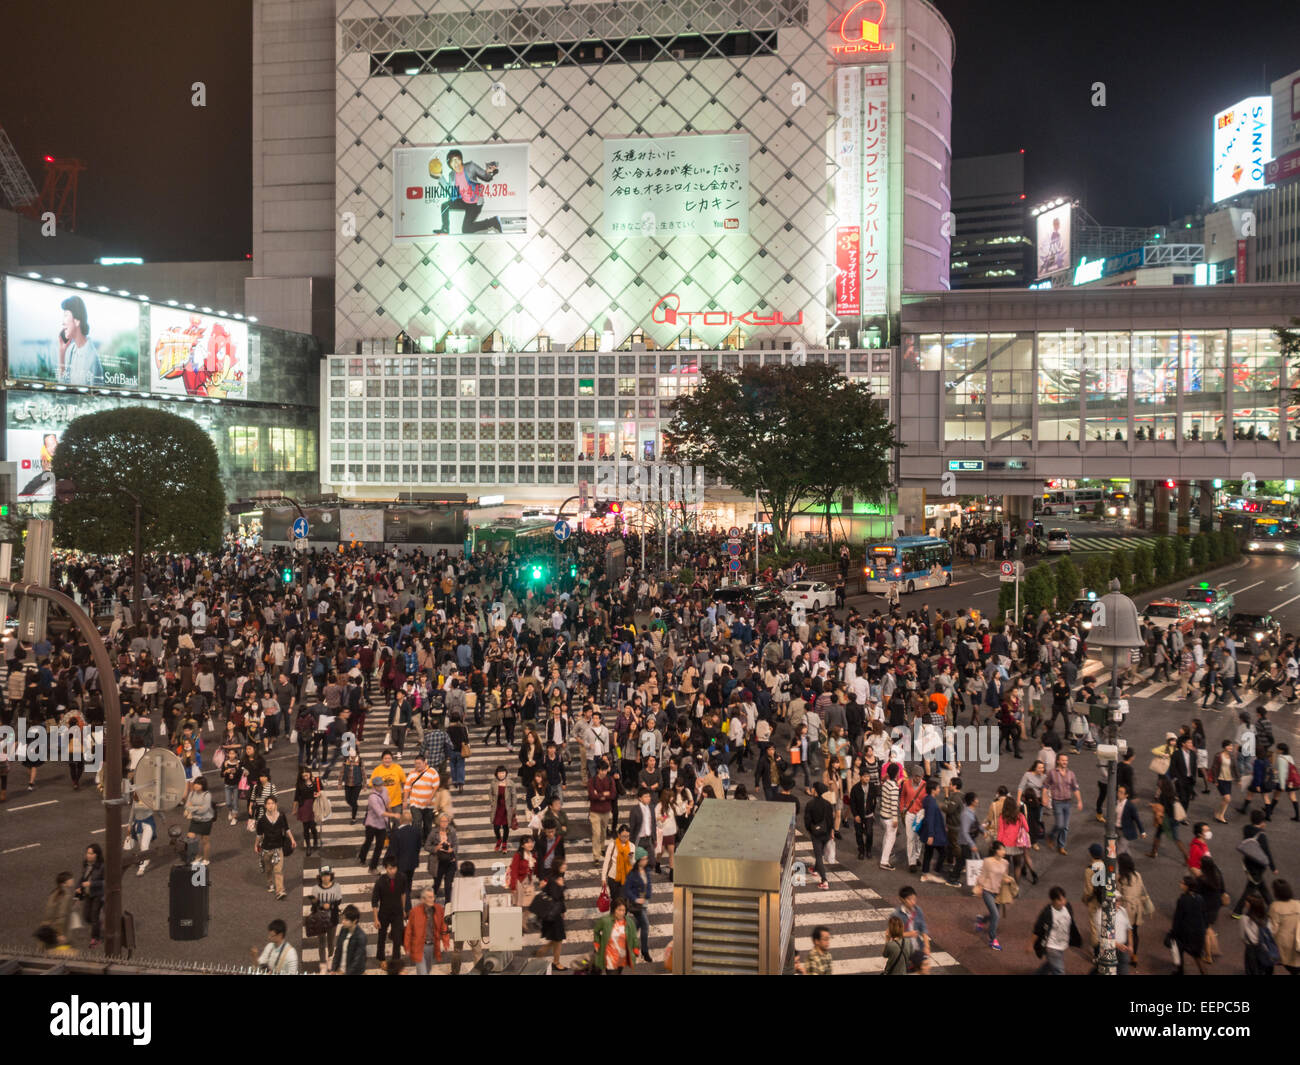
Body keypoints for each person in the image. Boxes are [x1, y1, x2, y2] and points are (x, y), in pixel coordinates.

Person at [1032, 886, 1082, 975]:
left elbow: (1071, 924)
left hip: (1062, 943)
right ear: (1053, 901)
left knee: (1051, 964)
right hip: (1051, 946)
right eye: (1059, 900)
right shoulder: (1047, 912)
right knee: (1059, 971)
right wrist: (1030, 944)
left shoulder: (1068, 907)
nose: (1063, 902)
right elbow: (1038, 929)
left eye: (1063, 899)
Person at [254, 794, 295, 900]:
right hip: (266, 848)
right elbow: (259, 834)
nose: (271, 805)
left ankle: (280, 891)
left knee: (278, 870)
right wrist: (256, 845)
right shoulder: (262, 820)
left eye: (272, 803)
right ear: (265, 806)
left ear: (276, 805)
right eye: (268, 803)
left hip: (278, 848)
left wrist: (292, 839)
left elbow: (286, 828)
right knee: (268, 869)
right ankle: (270, 882)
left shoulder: (281, 816)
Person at [371, 855, 407, 971]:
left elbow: (403, 894)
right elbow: (374, 901)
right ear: (385, 868)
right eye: (389, 868)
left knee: (397, 938)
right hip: (384, 913)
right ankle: (382, 959)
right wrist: (376, 919)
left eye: (394, 868)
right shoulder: (380, 882)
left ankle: (396, 960)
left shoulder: (402, 878)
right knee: (381, 937)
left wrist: (403, 909)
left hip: (397, 913)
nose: (392, 871)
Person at [404, 887, 451, 975]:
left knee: (428, 969)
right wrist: (407, 946)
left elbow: (443, 927)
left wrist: (446, 941)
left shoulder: (439, 910)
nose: (431, 899)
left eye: (432, 897)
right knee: (423, 972)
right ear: (423, 899)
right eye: (429, 897)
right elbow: (409, 930)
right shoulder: (415, 911)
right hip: (418, 946)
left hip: (432, 946)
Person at [1044, 753, 1082, 855]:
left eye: (1066, 760)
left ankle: (1061, 846)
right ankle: (1050, 835)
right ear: (1058, 761)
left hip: (1067, 802)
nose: (1065, 762)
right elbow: (1045, 786)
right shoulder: (1052, 773)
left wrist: (1079, 801)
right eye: (1063, 760)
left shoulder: (1071, 774)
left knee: (1065, 827)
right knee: (1060, 825)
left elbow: (1075, 788)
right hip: (1057, 802)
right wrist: (1045, 797)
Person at [534, 858, 568, 970]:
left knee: (557, 937)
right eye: (563, 864)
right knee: (558, 938)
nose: (565, 865)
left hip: (554, 913)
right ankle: (555, 961)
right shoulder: (556, 880)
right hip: (553, 914)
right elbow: (556, 897)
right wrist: (561, 886)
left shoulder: (556, 877)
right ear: (558, 867)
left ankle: (545, 952)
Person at [1169, 875, 1207, 975]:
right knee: (1197, 956)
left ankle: (1180, 971)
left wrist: (1173, 932)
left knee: (1179, 949)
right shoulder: (1200, 898)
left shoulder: (1183, 900)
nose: (1180, 884)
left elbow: (1178, 918)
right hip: (1199, 931)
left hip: (1186, 932)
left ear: (1187, 886)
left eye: (1182, 883)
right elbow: (1204, 914)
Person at [307, 866, 342, 969]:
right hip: (320, 920)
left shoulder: (337, 887)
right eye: (323, 875)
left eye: (327, 875)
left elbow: (339, 901)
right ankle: (322, 963)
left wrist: (330, 906)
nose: (326, 878)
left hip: (333, 919)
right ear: (320, 877)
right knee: (321, 942)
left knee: (331, 941)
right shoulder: (315, 889)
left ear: (331, 875)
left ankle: (330, 958)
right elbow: (314, 906)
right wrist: (317, 904)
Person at [623, 846, 654, 963]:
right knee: (645, 925)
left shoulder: (646, 870)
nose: (647, 861)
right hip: (637, 906)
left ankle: (625, 943)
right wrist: (636, 899)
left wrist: (648, 894)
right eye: (644, 859)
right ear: (639, 860)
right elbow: (627, 890)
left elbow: (649, 883)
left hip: (644, 903)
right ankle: (645, 951)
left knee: (636, 926)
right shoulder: (632, 874)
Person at [591, 897, 639, 973]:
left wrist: (636, 948)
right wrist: (597, 943)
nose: (622, 913)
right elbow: (596, 931)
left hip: (622, 956)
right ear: (613, 910)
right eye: (619, 910)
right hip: (610, 957)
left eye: (623, 910)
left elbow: (634, 937)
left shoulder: (629, 922)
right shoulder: (605, 921)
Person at [803, 781, 835, 890]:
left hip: (815, 833)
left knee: (818, 855)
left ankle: (824, 880)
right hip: (826, 833)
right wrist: (831, 831)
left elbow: (807, 821)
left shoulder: (810, 804)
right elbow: (831, 820)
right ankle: (815, 869)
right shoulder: (828, 804)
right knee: (820, 852)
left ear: (815, 791)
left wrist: (810, 830)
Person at [893, 886, 930, 970]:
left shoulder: (918, 910)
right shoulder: (896, 915)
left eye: (914, 899)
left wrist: (926, 946)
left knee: (922, 970)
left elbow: (923, 928)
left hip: (917, 949)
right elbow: (893, 934)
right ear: (902, 899)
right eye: (910, 899)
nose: (913, 902)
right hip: (903, 951)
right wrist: (907, 934)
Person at [1268, 879, 1300, 975]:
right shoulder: (1298, 904)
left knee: (1281, 962)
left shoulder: (1275, 907)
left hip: (1284, 943)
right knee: (1295, 965)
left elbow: (1273, 929)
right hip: (1297, 941)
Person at [77, 844, 105, 948]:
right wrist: (78, 886)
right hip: (88, 894)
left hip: (98, 894)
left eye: (91, 853)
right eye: (87, 853)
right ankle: (97, 924)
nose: (88, 855)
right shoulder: (86, 864)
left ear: (97, 855)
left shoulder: (102, 866)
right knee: (86, 916)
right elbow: (83, 877)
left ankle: (95, 938)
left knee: (94, 916)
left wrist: (91, 883)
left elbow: (105, 882)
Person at [1241, 896, 1277, 975]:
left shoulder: (1245, 918)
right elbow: (1271, 932)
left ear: (1250, 906)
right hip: (1266, 949)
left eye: (1247, 903)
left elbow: (1243, 936)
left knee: (1253, 970)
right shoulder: (1267, 919)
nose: (1245, 903)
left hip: (1251, 948)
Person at [183, 776, 215, 864]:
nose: (196, 786)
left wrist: (192, 808)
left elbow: (204, 809)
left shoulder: (207, 795)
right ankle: (196, 856)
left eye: (199, 784)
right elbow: (186, 806)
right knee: (190, 838)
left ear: (203, 785)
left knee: (205, 840)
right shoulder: (192, 793)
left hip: (206, 820)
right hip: (195, 820)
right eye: (195, 784)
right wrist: (197, 808)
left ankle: (206, 858)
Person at [427, 813, 458, 903]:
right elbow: (426, 846)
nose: (444, 823)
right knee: (436, 884)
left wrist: (452, 849)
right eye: (442, 821)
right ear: (439, 822)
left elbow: (456, 845)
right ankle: (430, 901)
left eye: (446, 821)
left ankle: (448, 905)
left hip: (450, 861)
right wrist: (436, 848)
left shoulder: (452, 831)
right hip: (438, 862)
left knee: (448, 885)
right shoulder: (433, 832)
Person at [329, 905, 368, 975]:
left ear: (354, 921)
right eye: (343, 919)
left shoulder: (361, 937)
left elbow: (357, 960)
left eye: (346, 920)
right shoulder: (343, 930)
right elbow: (338, 950)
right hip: (342, 970)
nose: (343, 922)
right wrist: (333, 969)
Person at [41, 872, 76, 947]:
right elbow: (61, 915)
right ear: (64, 883)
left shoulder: (55, 892)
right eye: (70, 879)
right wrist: (59, 934)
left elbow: (49, 912)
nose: (73, 880)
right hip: (59, 931)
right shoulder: (66, 895)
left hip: (49, 927)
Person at [489, 764, 519, 853]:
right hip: (497, 809)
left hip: (507, 809)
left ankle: (504, 843)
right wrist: (492, 801)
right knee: (496, 827)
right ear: (496, 774)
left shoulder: (510, 783)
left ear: (506, 773)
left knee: (506, 828)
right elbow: (490, 793)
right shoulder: (493, 782)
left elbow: (514, 796)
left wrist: (514, 807)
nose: (501, 774)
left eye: (503, 773)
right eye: (499, 773)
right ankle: (499, 840)